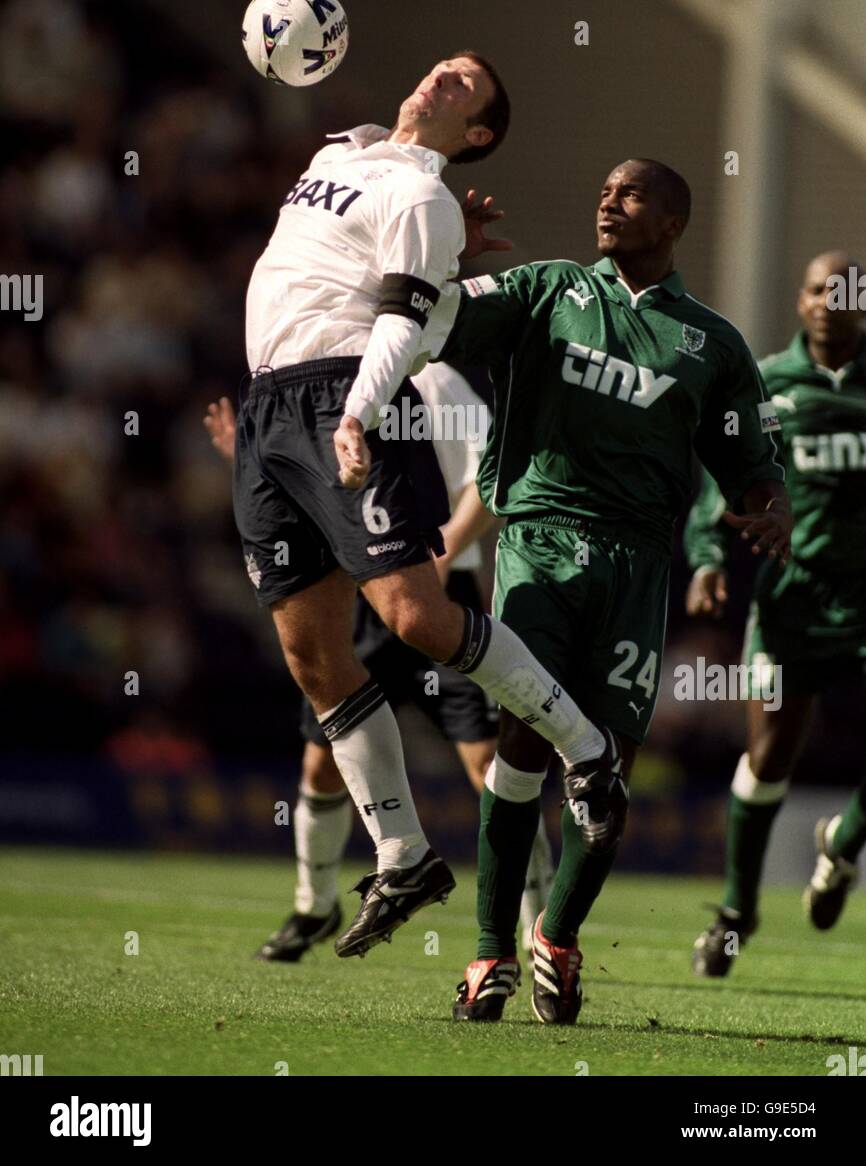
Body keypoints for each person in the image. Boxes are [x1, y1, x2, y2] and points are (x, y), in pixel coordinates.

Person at [233, 53, 606, 960]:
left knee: (416, 617)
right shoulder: (340, 154)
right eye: (442, 67)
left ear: (477, 134)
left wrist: (359, 412)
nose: (440, 79)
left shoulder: (424, 196)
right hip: (265, 404)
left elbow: (400, 325)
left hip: (337, 394)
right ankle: (402, 856)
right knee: (310, 653)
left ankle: (584, 746)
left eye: (465, 86)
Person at [426, 157, 791, 1023]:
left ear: (673, 221)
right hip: (538, 546)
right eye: (603, 190)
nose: (607, 200)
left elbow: (753, 465)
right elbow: (433, 319)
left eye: (629, 194)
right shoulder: (547, 289)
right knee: (520, 742)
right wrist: (449, 258)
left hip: (637, 567)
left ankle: (554, 936)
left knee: (611, 775)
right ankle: (488, 956)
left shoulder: (713, 343)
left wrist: (769, 508)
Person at [204, 382, 554, 962]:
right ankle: (314, 905)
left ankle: (532, 922)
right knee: (321, 763)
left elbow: (492, 481)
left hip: (437, 594)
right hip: (361, 600)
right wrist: (256, 463)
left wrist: (441, 551)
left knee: (490, 763)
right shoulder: (341, 379)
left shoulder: (440, 381)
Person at [687, 252, 866, 976]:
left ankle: (842, 845)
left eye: (846, 292)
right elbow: (726, 478)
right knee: (768, 760)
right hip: (794, 601)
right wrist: (705, 556)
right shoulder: (768, 383)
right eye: (818, 288)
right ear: (799, 302)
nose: (830, 301)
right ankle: (736, 912)